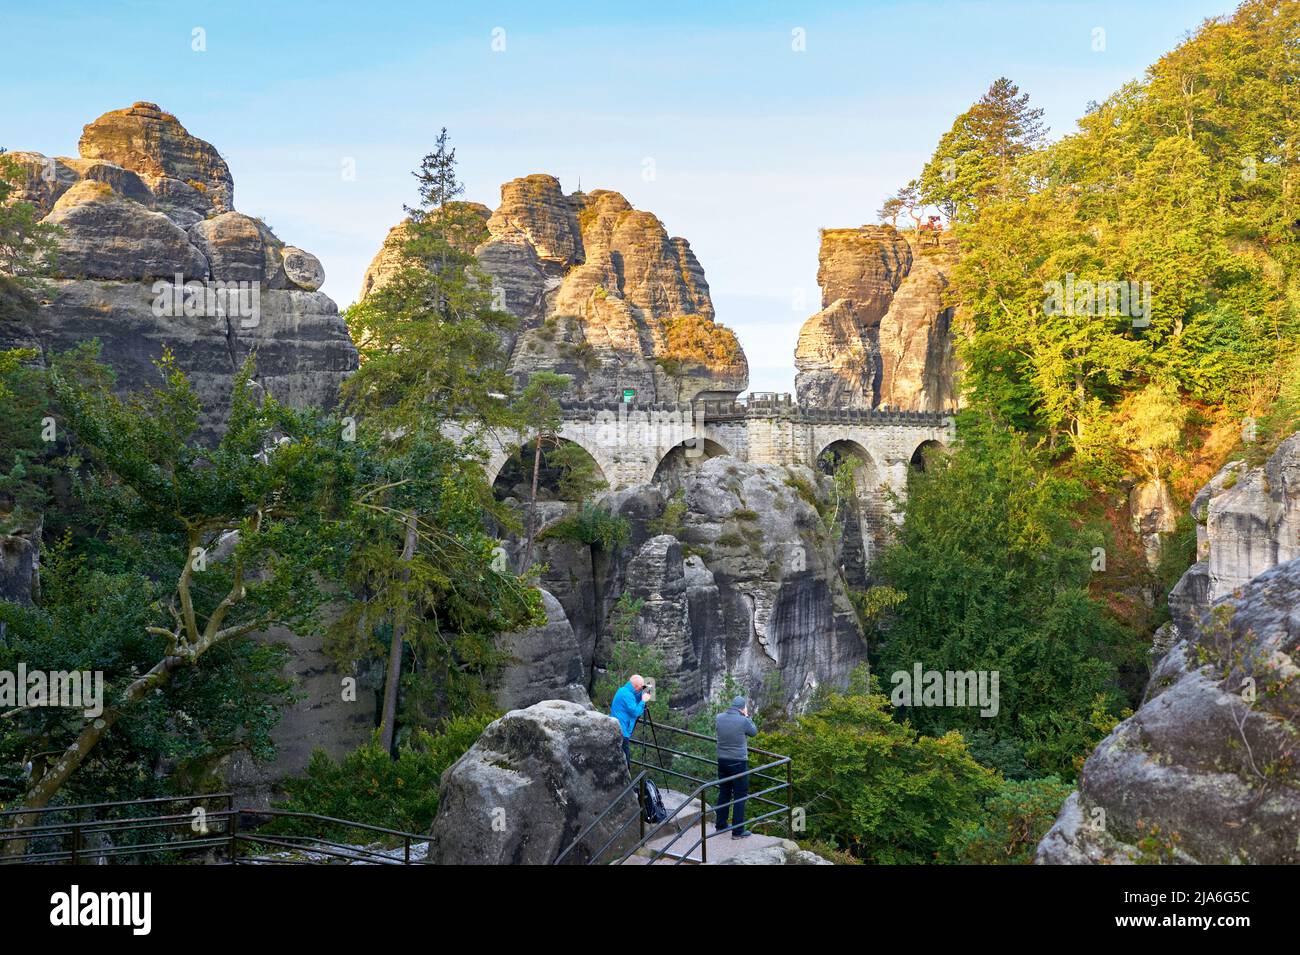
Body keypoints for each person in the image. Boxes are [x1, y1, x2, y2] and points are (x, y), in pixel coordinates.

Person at [714, 695, 757, 838]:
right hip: (738, 762)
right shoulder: (743, 720)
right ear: (741, 708)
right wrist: (747, 716)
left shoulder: (719, 717)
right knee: (740, 796)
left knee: (724, 792)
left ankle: (720, 825)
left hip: (722, 761)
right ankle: (738, 831)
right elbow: (753, 732)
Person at [610, 674, 648, 767]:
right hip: (622, 732)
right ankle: (626, 781)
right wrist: (643, 701)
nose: (640, 690)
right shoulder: (627, 694)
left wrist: (645, 692)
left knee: (622, 760)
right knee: (626, 763)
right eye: (640, 688)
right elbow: (635, 712)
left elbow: (634, 697)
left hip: (619, 729)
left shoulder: (624, 691)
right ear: (636, 686)